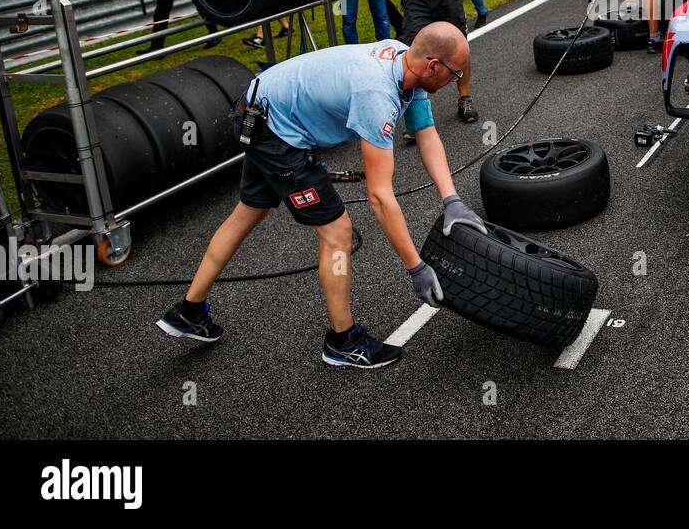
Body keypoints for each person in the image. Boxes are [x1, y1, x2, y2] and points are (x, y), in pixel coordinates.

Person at [156, 22, 484, 370]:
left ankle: (189, 312)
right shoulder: (376, 95)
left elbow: (426, 132)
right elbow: (379, 196)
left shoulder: (405, 61)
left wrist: (452, 201)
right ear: (433, 66)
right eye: (455, 72)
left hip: (260, 107)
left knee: (248, 212)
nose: (456, 80)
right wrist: (416, 268)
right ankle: (342, 341)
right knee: (337, 232)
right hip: (275, 131)